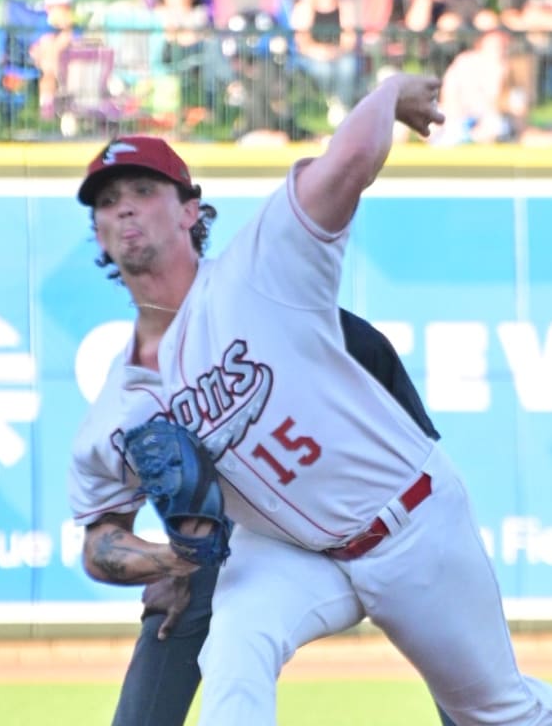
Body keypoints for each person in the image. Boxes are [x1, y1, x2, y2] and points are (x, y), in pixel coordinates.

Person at [67, 71, 552, 725]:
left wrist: (389, 94)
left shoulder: (257, 273)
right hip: (287, 551)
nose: (124, 208)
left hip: (406, 524)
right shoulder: (118, 408)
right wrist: (169, 559)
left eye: (144, 191)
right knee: (234, 649)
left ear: (189, 210)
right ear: (98, 232)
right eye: (108, 202)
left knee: (493, 710)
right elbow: (101, 539)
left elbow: (347, 163)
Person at [109, 308, 458, 726]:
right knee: (195, 621)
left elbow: (417, 464)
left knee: (470, 664)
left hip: (381, 517)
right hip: (268, 530)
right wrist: (178, 560)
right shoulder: (169, 370)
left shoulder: (341, 336)